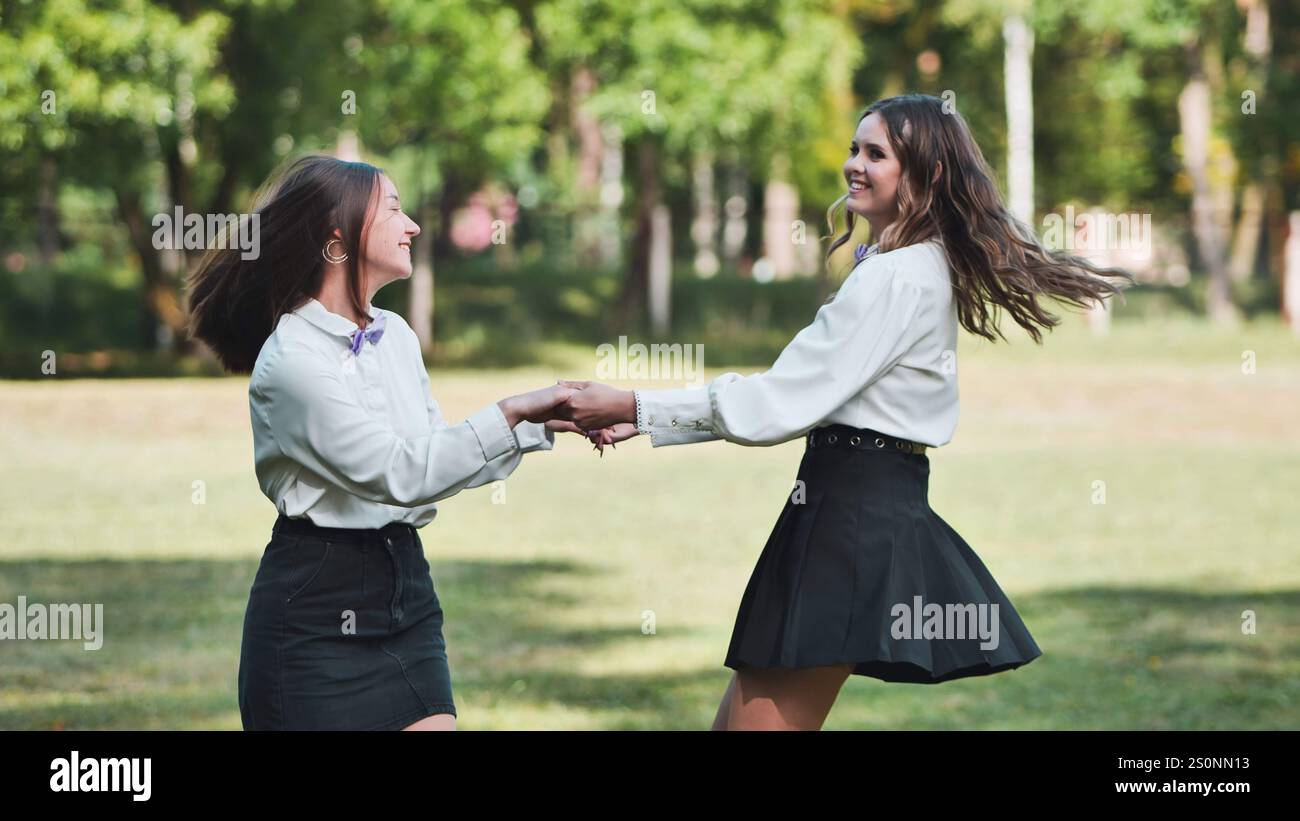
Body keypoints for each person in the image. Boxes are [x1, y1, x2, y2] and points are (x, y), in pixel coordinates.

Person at [560, 93, 1136, 730]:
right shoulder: (910, 267)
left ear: (925, 174)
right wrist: (644, 417)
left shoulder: (897, 276)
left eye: (876, 153)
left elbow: (780, 401)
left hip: (848, 519)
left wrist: (635, 404)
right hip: (846, 505)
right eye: (855, 149)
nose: (854, 164)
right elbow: (799, 399)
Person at [186, 155, 582, 730]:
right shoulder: (292, 361)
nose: (413, 225)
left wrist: (541, 423)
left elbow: (436, 458)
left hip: (406, 592)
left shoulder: (394, 336)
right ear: (337, 236)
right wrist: (508, 411)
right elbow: (400, 473)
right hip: (314, 612)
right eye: (394, 209)